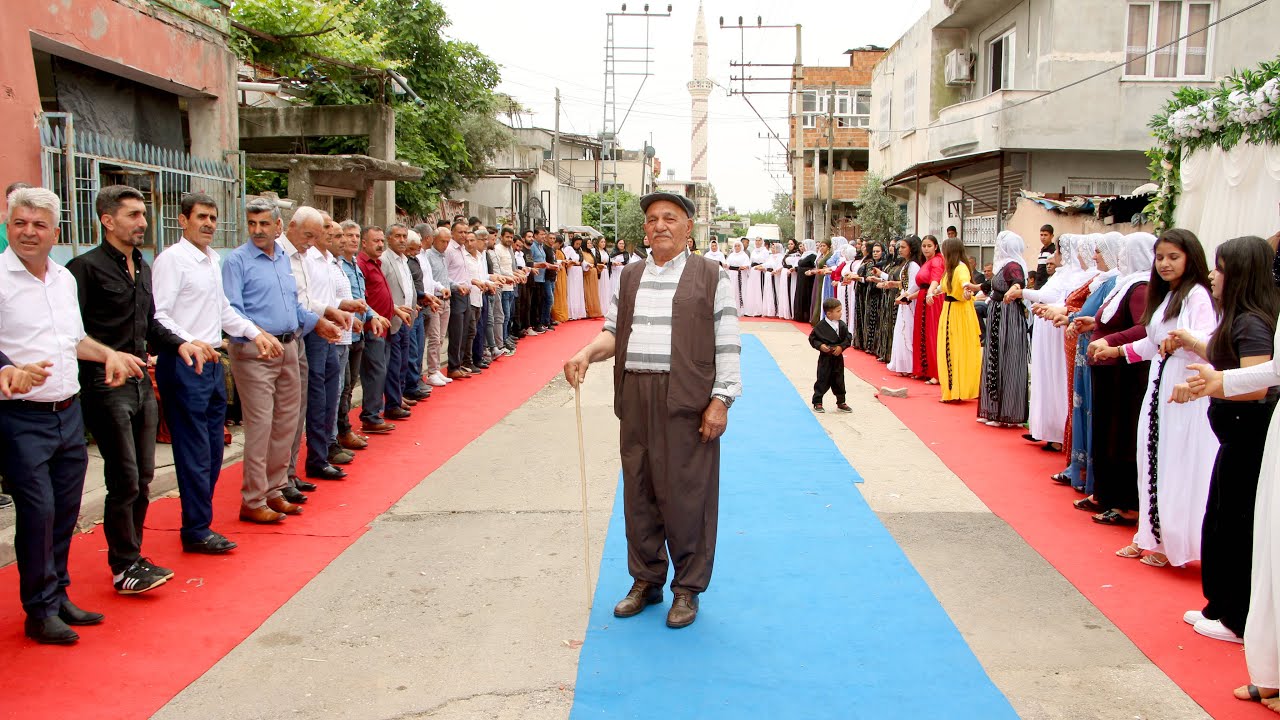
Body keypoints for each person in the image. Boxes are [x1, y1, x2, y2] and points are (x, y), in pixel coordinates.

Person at [563, 191, 741, 630]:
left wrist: (721, 400)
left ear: (688, 228)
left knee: (687, 494)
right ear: (644, 229)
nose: (659, 225)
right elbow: (612, 333)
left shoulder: (712, 275)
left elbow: (728, 343)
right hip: (635, 394)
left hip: (687, 396)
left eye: (670, 218)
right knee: (639, 491)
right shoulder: (630, 275)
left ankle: (687, 588)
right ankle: (646, 579)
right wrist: (587, 353)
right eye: (652, 219)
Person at [1, 187, 145, 643]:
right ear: (8, 226)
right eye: (20, 223)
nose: (28, 232)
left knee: (65, 510)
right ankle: (39, 609)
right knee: (38, 512)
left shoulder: (63, 279)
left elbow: (74, 340)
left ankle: (58, 594)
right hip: (21, 417)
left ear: (55, 232)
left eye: (38, 224)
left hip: (68, 413)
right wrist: (7, 369)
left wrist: (109, 355)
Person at [66, 186, 205, 593]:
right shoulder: (84, 268)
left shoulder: (142, 266)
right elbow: (72, 333)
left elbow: (151, 324)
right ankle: (123, 564)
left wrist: (181, 345)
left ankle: (134, 558)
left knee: (143, 476)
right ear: (107, 220)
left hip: (142, 381)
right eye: (133, 215)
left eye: (143, 214)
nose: (143, 222)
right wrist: (107, 358)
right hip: (105, 385)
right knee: (124, 477)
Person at [153, 193, 280, 554]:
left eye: (213, 217)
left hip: (211, 363)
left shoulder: (212, 259)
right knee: (194, 450)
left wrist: (255, 333)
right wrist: (188, 341)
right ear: (183, 220)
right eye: (201, 217)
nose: (208, 224)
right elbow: (159, 315)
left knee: (212, 449)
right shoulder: (172, 261)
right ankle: (195, 528)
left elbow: (224, 310)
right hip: (184, 362)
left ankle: (199, 522)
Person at [1167, 236, 1279, 645]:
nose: (1213, 276)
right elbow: (1228, 361)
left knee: (1234, 526)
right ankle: (1221, 605)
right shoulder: (1242, 318)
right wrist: (1192, 342)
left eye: (1220, 268)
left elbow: (1258, 385)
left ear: (1239, 274)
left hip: (1248, 438)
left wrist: (1208, 387)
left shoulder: (1252, 322)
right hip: (1236, 436)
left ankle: (1236, 617)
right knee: (1220, 521)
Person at [222, 200, 340, 523]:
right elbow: (231, 310)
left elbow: (293, 306)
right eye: (252, 223)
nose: (257, 230)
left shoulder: (283, 260)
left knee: (287, 424)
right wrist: (259, 335)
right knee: (261, 426)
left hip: (290, 346)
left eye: (264, 223)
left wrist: (319, 323)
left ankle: (275, 489)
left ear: (277, 226)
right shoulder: (237, 261)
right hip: (255, 351)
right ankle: (253, 499)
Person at [1109, 229, 1217, 568]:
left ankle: (1172, 543)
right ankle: (1149, 534)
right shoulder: (1167, 296)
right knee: (1151, 457)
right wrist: (1117, 350)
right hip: (1159, 383)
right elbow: (1153, 342)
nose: (1165, 264)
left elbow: (1209, 343)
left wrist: (1184, 341)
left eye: (1173, 257)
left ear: (1190, 258)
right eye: (1160, 258)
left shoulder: (1197, 296)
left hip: (1184, 386)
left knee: (1175, 462)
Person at [1081, 232, 1156, 525]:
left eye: (1126, 251)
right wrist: (1093, 324)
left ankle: (1125, 504)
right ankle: (1106, 493)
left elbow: (1143, 328)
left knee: (1120, 435)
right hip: (1109, 367)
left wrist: (1110, 341)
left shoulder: (1141, 287)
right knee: (1105, 433)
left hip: (1123, 372)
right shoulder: (1127, 283)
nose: (1120, 257)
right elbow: (1113, 319)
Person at [928, 237, 981, 402]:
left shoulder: (961, 268)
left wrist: (966, 291)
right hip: (949, 311)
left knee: (954, 349)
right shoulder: (950, 269)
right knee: (948, 349)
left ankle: (956, 390)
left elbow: (965, 283)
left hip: (959, 312)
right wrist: (932, 293)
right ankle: (952, 390)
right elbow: (942, 287)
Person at [886, 237, 923, 376]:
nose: (900, 250)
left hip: (910, 301)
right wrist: (895, 284)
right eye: (899, 247)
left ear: (911, 249)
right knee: (901, 330)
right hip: (905, 299)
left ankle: (909, 365)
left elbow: (914, 285)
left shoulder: (913, 265)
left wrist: (904, 296)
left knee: (907, 331)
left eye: (903, 247)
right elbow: (905, 283)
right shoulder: (907, 264)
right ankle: (903, 365)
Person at [810, 297, 853, 413]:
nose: (841, 313)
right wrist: (820, 346)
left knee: (839, 379)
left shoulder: (842, 325)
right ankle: (817, 401)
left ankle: (841, 401)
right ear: (829, 314)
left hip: (837, 357)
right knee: (822, 379)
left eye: (840, 310)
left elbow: (848, 338)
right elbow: (813, 339)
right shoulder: (820, 326)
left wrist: (841, 347)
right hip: (825, 358)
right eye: (838, 311)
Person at [444, 221, 477, 378]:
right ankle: (453, 366)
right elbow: (444, 274)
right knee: (456, 332)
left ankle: (460, 363)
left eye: (466, 232)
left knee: (466, 331)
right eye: (460, 232)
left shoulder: (463, 249)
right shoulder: (449, 250)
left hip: (466, 293)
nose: (464, 235)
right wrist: (457, 286)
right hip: (456, 294)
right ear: (452, 233)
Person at [913, 235, 944, 383]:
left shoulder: (937, 261)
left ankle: (936, 372)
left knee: (932, 333)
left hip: (932, 300)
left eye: (929, 246)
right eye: (924, 246)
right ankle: (923, 369)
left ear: (936, 247)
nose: (926, 249)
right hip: (923, 297)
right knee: (922, 333)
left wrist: (930, 292)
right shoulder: (926, 262)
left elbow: (936, 279)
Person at [793, 239, 818, 322]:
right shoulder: (804, 254)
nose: (803, 247)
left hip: (807, 280)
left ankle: (805, 316)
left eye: (804, 245)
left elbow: (814, 266)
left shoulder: (813, 255)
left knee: (806, 295)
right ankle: (799, 315)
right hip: (801, 279)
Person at [725, 241, 750, 309]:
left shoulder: (744, 255)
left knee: (740, 291)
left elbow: (747, 264)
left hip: (740, 275)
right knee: (732, 290)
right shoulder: (731, 255)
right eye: (735, 246)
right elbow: (727, 263)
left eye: (738, 246)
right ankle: (732, 307)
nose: (737, 247)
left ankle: (740, 308)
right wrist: (726, 265)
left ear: (741, 247)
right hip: (731, 275)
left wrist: (745, 266)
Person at [1034, 224, 1057, 288]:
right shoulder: (1042, 250)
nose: (1043, 237)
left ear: (1052, 236)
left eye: (1045, 235)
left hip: (1046, 284)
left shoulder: (1053, 250)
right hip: (1038, 284)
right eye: (1041, 235)